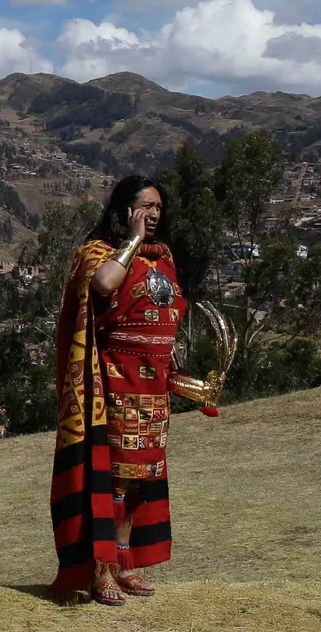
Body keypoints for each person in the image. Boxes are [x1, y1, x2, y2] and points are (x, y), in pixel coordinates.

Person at [49, 176, 183, 606]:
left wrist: (174, 366)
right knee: (116, 477)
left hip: (153, 384)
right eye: (145, 206)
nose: (154, 214)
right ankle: (100, 568)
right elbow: (104, 285)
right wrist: (132, 240)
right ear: (123, 211)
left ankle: (125, 563)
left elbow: (165, 315)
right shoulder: (98, 253)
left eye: (158, 207)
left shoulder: (162, 260)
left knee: (142, 477)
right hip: (113, 381)